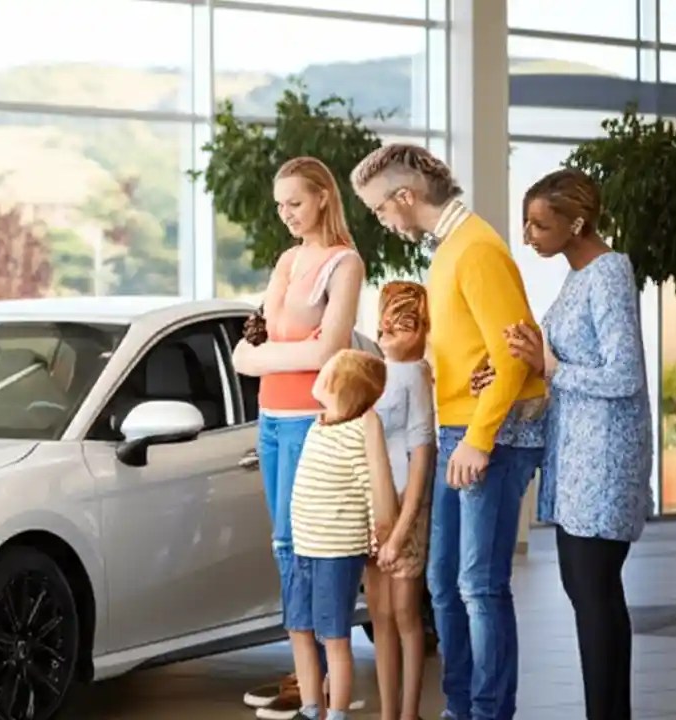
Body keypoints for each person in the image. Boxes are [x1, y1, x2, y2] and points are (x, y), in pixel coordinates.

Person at [349, 143, 548, 720]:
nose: (383, 221)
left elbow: (514, 356)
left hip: (494, 435)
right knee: (443, 583)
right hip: (460, 426)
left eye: (382, 210)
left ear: (406, 197)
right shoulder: (450, 251)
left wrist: (480, 438)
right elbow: (482, 347)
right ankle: (458, 706)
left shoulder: (478, 249)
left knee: (480, 586)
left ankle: (487, 712)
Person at [488, 168, 652, 720]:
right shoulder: (578, 275)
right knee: (589, 598)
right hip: (577, 459)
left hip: (604, 463)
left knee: (595, 597)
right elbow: (556, 365)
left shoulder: (606, 274)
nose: (529, 235)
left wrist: (549, 364)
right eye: (526, 223)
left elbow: (622, 376)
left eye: (539, 225)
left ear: (575, 223)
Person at [231, 156, 366, 719]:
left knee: (306, 545)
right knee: (283, 546)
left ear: (323, 200)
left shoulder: (345, 264)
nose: (286, 215)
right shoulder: (287, 260)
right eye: (280, 205)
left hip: (311, 424)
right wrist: (283, 352)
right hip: (269, 422)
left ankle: (320, 693)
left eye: (296, 203)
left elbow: (326, 352)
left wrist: (269, 356)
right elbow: (244, 351)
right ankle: (306, 689)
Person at [284, 348, 399, 720]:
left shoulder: (357, 431)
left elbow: (372, 490)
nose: (321, 373)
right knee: (299, 628)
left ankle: (336, 713)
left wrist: (378, 539)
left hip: (336, 551)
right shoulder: (319, 423)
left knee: (335, 638)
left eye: (329, 371)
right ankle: (309, 705)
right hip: (305, 546)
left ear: (342, 387)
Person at [371, 281, 436, 720]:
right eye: (387, 322)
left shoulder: (416, 376)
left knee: (405, 613)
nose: (391, 331)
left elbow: (421, 455)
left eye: (404, 323)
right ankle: (387, 712)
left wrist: (405, 522)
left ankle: (409, 712)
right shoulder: (375, 371)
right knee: (379, 614)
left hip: (405, 502)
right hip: (374, 502)